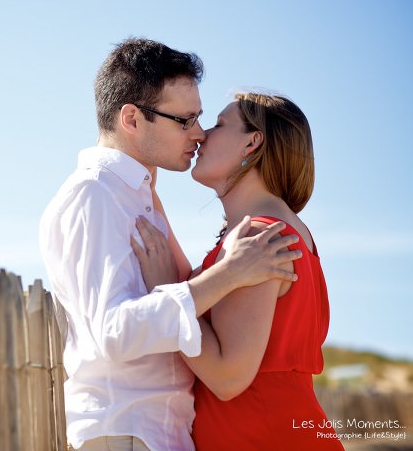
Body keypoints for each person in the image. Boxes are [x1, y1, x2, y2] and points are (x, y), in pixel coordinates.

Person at [38, 38, 303, 451]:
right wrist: (228, 275)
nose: (198, 133)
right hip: (124, 431)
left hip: (158, 432)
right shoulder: (94, 194)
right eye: (185, 120)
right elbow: (113, 332)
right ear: (131, 119)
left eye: (200, 118)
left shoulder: (137, 195)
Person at [135, 91, 343, 450]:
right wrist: (147, 187)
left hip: (261, 436)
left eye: (218, 124)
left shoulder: (258, 236)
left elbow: (228, 376)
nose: (202, 134)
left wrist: (165, 295)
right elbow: (195, 282)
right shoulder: (282, 229)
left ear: (252, 142)